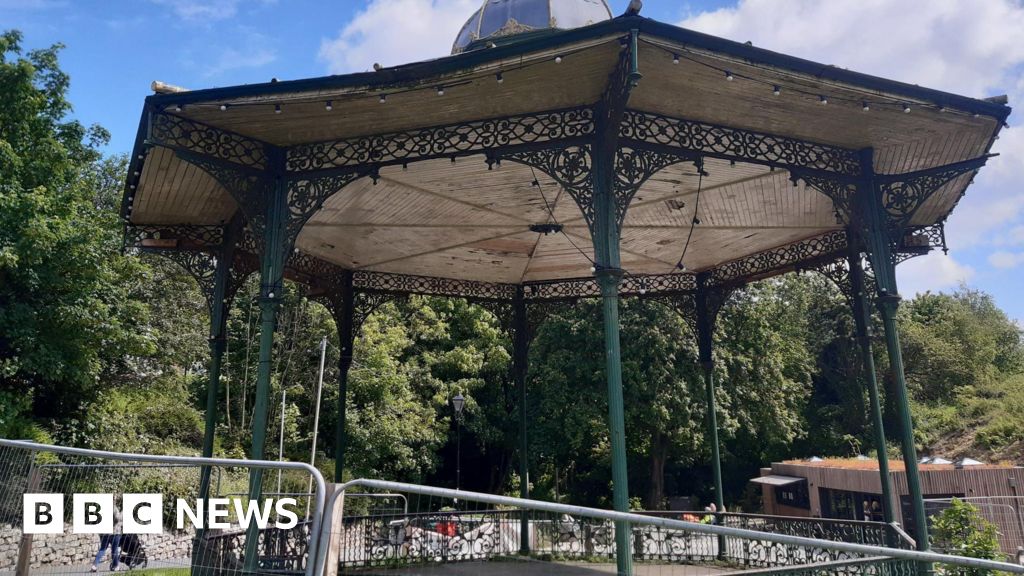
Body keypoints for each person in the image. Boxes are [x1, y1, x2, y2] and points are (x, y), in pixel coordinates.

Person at [91, 502, 123, 572]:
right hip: (114, 533)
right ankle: (116, 566)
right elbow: (118, 518)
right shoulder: (113, 507)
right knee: (114, 550)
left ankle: (94, 565)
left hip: (104, 533)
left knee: (102, 549)